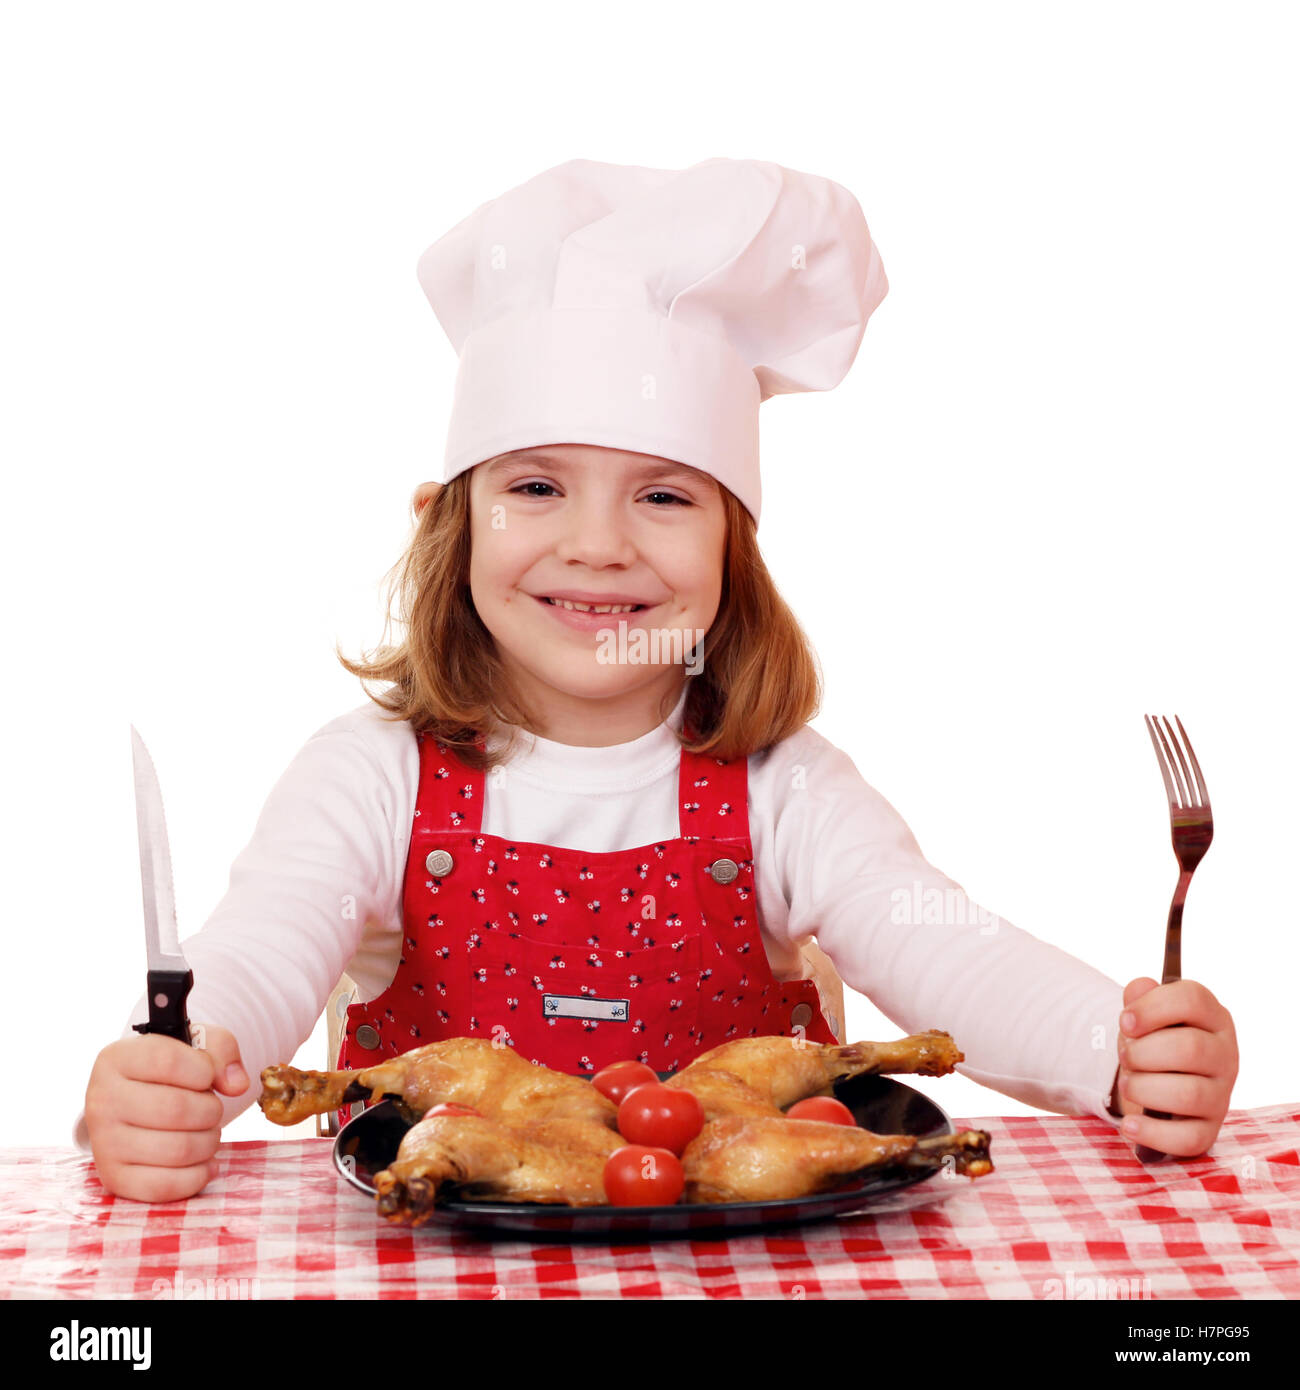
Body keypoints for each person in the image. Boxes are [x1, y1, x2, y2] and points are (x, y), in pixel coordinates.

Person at [79, 157, 1238, 1203]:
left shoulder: (786, 789)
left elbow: (946, 949)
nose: (598, 542)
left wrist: (1118, 1049)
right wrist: (179, 1071)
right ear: (449, 524)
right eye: (535, 487)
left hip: (755, 1276)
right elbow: (265, 944)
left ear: (736, 550)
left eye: (666, 493)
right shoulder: (369, 777)